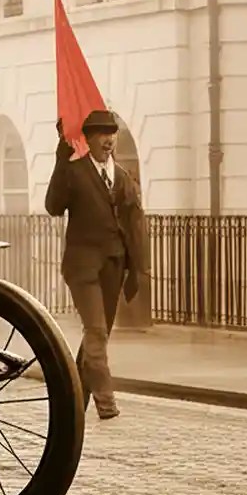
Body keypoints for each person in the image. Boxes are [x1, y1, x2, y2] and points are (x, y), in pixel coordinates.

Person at [45, 109, 148, 419]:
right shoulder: (74, 172)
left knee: (96, 337)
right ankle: (107, 403)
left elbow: (135, 222)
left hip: (114, 266)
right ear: (87, 140)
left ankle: (74, 402)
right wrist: (61, 157)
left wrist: (139, 267)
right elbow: (53, 206)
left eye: (112, 133)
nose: (109, 139)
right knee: (96, 330)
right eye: (102, 133)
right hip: (83, 267)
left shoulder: (123, 177)